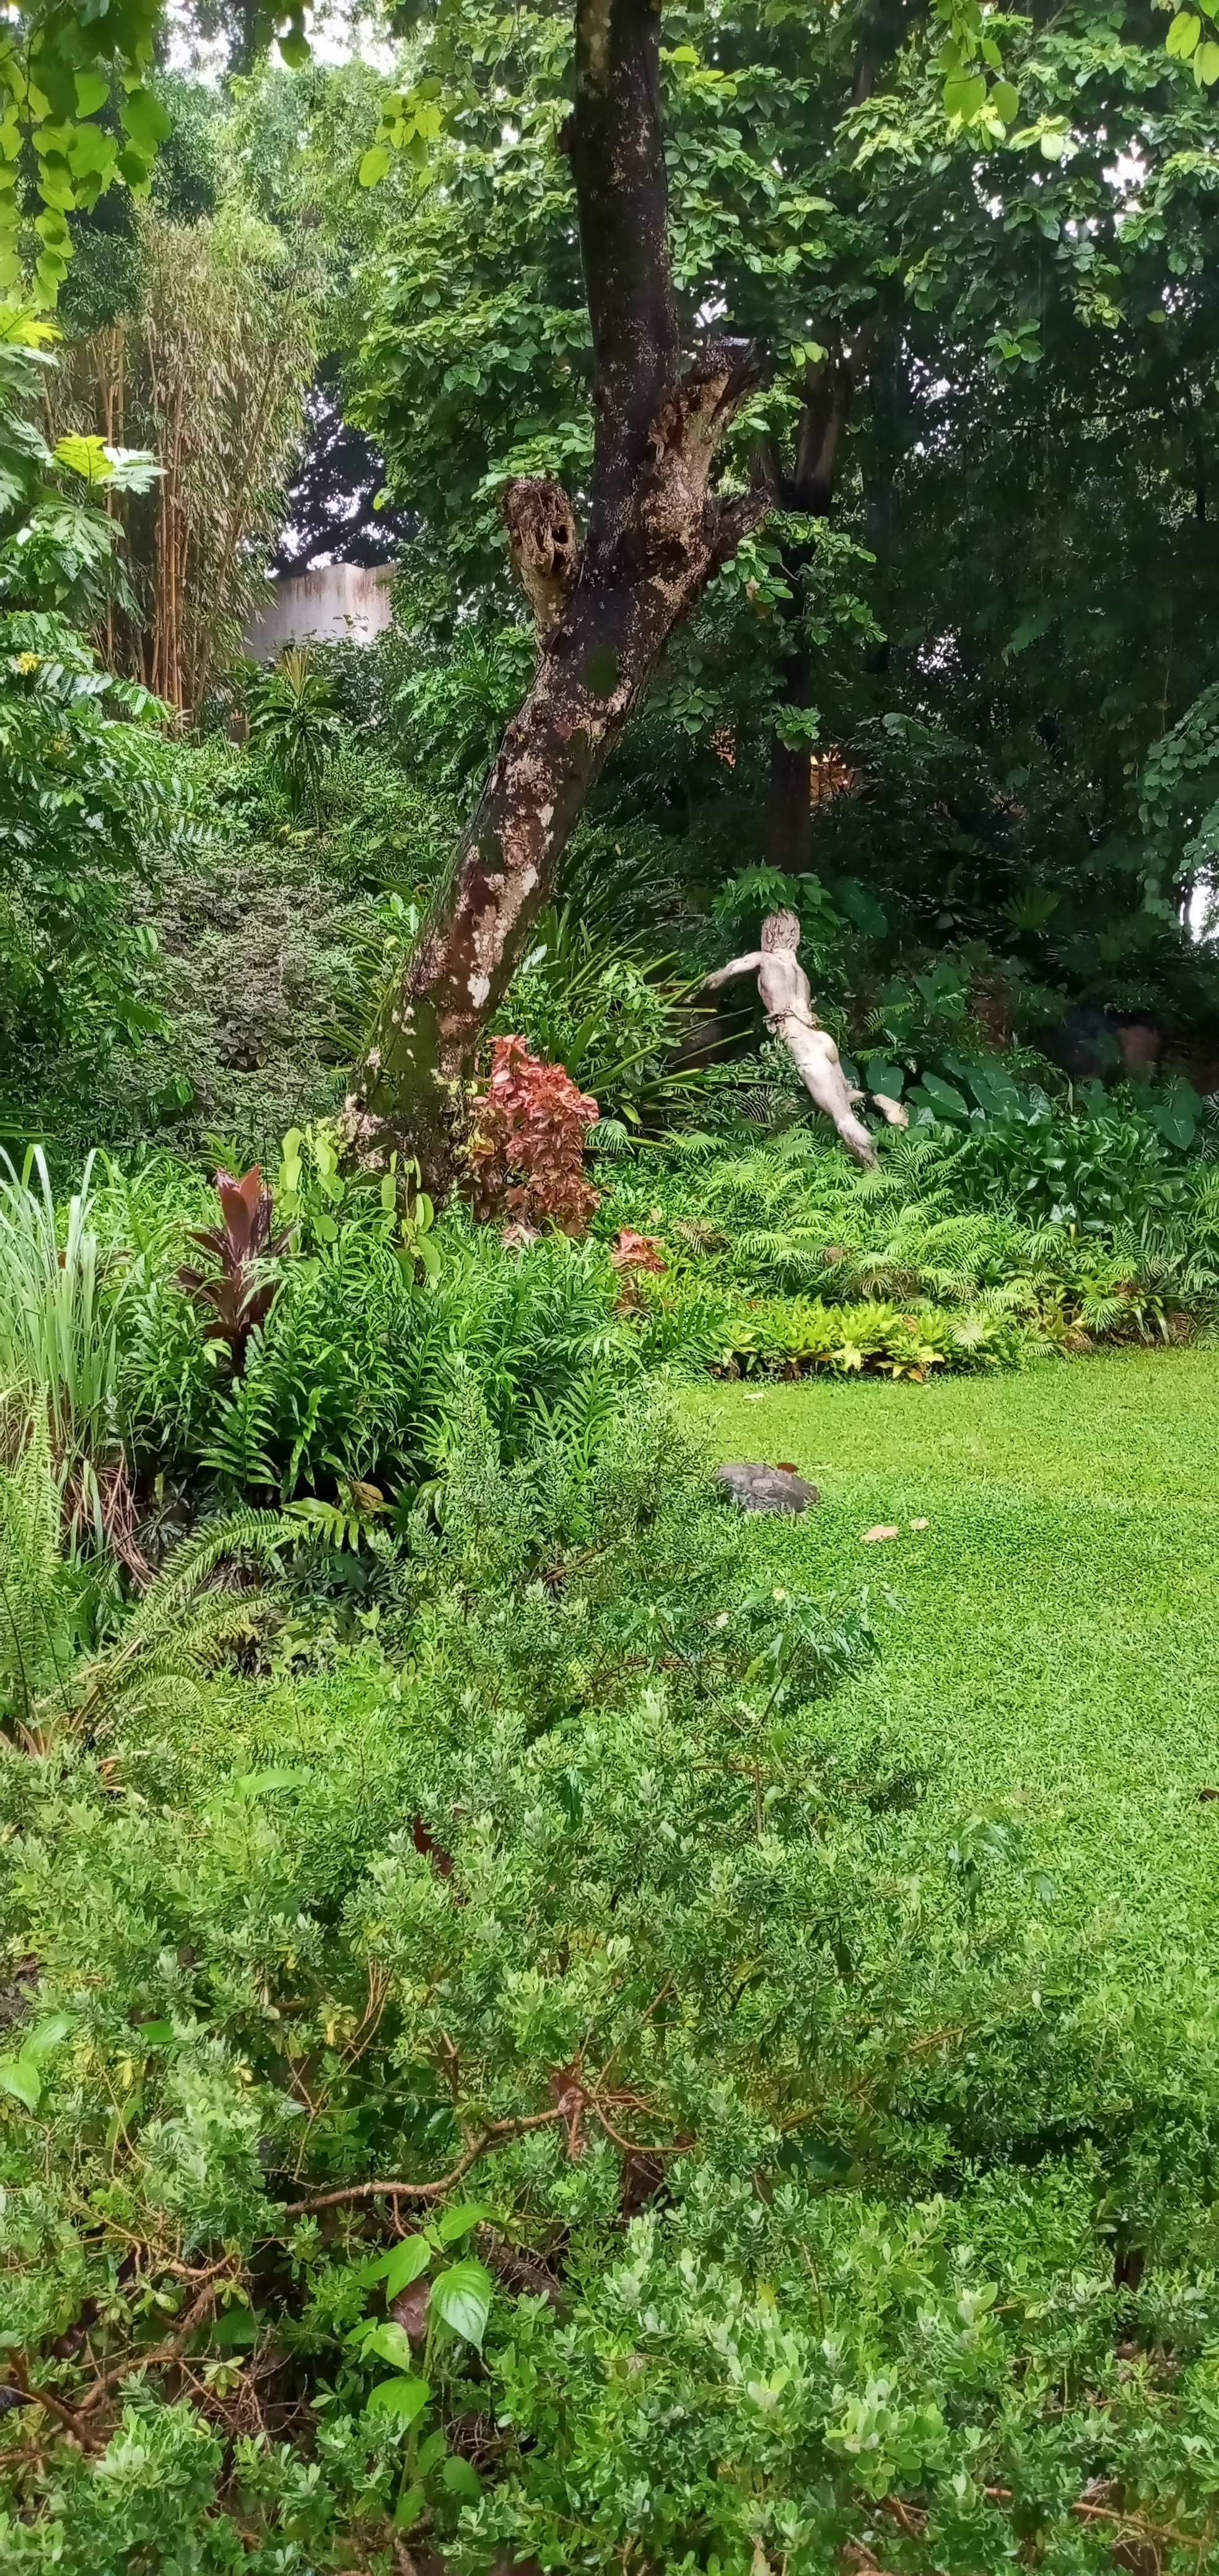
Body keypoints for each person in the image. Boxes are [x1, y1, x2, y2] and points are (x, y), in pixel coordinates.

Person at [701, 908, 906, 1168]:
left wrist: (698, 994)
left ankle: (877, 1179)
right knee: (843, 1094)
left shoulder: (764, 959)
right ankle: (875, 1100)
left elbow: (723, 976)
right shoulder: (800, 974)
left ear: (768, 935)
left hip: (799, 1039)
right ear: (794, 938)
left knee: (843, 1118)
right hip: (820, 1038)